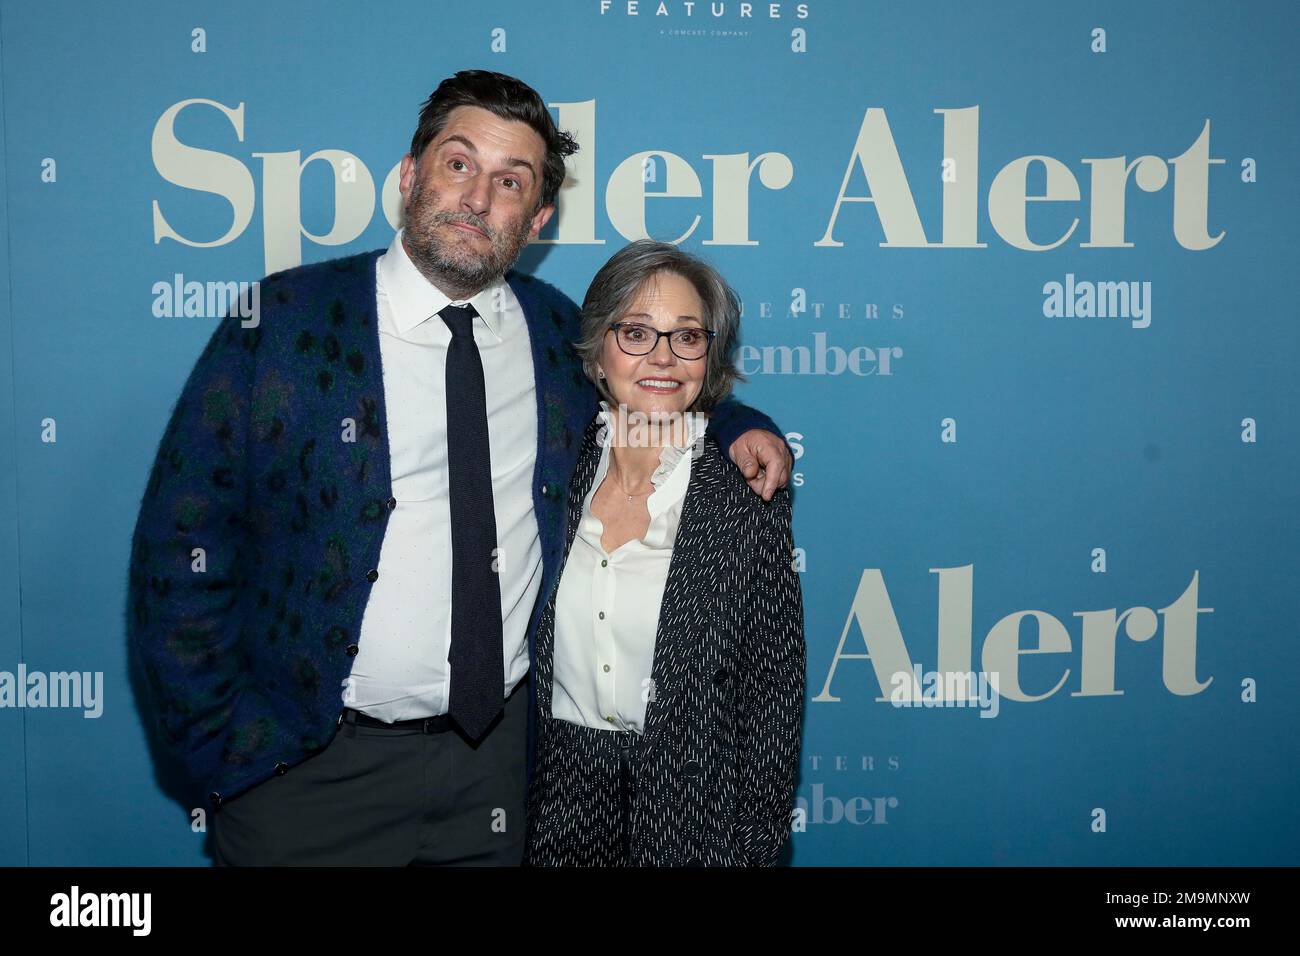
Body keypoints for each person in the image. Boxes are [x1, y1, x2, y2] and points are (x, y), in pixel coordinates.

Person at [126, 69, 793, 866]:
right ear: (410, 176)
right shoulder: (284, 322)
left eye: (510, 181)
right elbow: (181, 548)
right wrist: (226, 753)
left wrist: (737, 423)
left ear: (538, 216)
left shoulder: (554, 335)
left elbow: (653, 377)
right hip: (306, 778)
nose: (478, 198)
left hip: (502, 775)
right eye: (458, 164)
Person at [523, 240, 805, 866]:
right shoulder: (551, 473)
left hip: (693, 807)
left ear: (710, 355)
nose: (662, 358)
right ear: (597, 350)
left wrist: (753, 847)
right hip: (553, 800)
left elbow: (773, 696)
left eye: (687, 337)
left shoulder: (744, 494)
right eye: (635, 333)